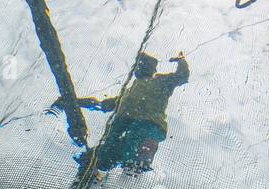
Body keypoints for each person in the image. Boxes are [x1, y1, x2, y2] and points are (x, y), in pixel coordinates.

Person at [55, 51, 190, 175]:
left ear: (151, 69)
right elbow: (101, 105)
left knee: (134, 133)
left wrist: (181, 61)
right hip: (127, 134)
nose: (138, 68)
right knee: (107, 148)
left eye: (142, 66)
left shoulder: (160, 82)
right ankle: (92, 171)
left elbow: (182, 77)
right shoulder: (127, 94)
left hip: (149, 127)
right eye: (137, 66)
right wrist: (73, 102)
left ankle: (135, 165)